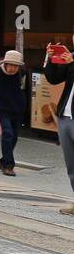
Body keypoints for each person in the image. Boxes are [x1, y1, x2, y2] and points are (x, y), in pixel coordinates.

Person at [45, 36, 74, 216]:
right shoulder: (70, 55)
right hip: (66, 116)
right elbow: (54, 78)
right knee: (71, 165)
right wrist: (50, 59)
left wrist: (71, 64)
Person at [0, 50, 28, 177]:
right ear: (5, 64)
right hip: (2, 108)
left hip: (17, 107)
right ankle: (9, 165)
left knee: (14, 136)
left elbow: (22, 87)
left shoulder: (22, 73)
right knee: (8, 134)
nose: (12, 68)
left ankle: (3, 161)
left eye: (15, 66)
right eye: (10, 65)